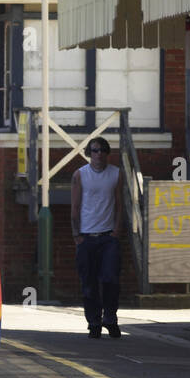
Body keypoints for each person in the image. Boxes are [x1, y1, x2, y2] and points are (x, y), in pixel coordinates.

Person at [71, 138, 122, 338]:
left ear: (107, 153)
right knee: (89, 282)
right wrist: (76, 234)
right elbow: (75, 206)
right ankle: (94, 322)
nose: (98, 154)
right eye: (94, 151)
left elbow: (119, 204)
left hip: (108, 237)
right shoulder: (80, 175)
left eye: (102, 150)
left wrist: (117, 230)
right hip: (86, 237)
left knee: (110, 280)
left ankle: (110, 318)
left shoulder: (116, 174)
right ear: (89, 153)